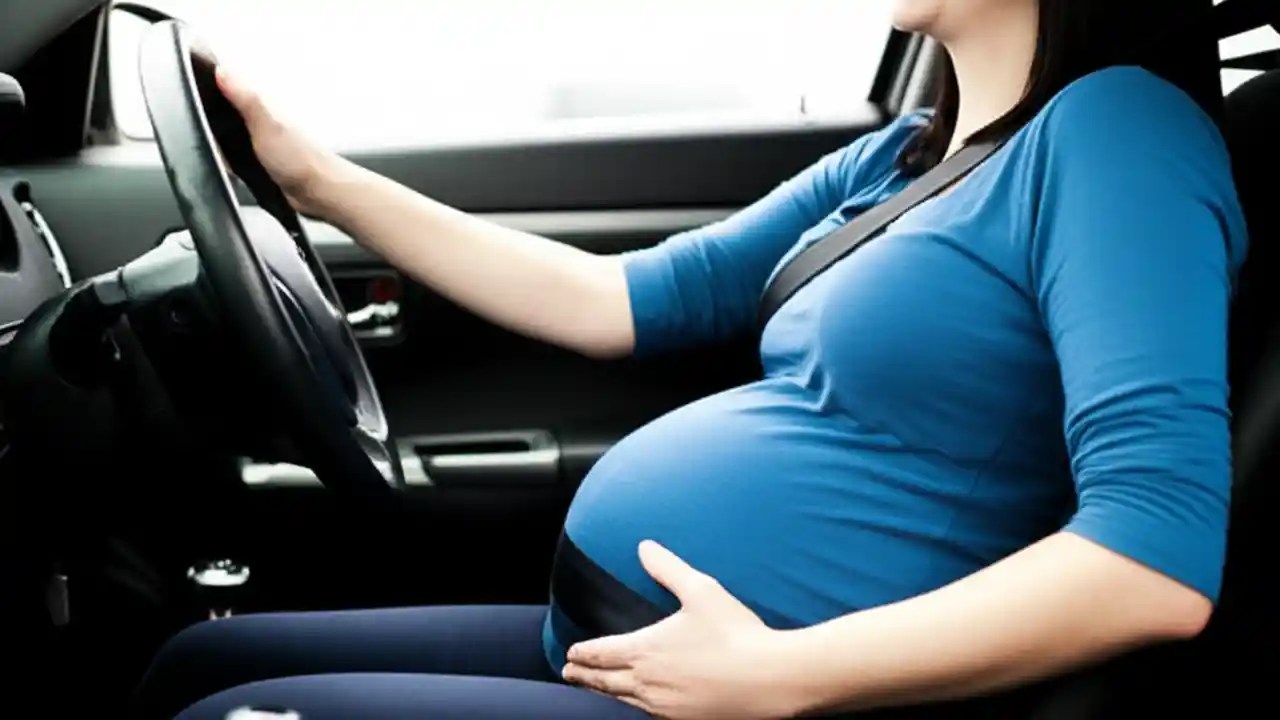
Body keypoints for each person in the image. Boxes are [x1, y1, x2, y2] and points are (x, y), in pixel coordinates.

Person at [134, 0, 1247, 718]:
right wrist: (316, 178)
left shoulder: (1115, 134)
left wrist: (778, 678)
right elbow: (616, 298)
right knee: (193, 664)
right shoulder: (904, 158)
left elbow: (1148, 564)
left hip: (766, 697)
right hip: (622, 648)